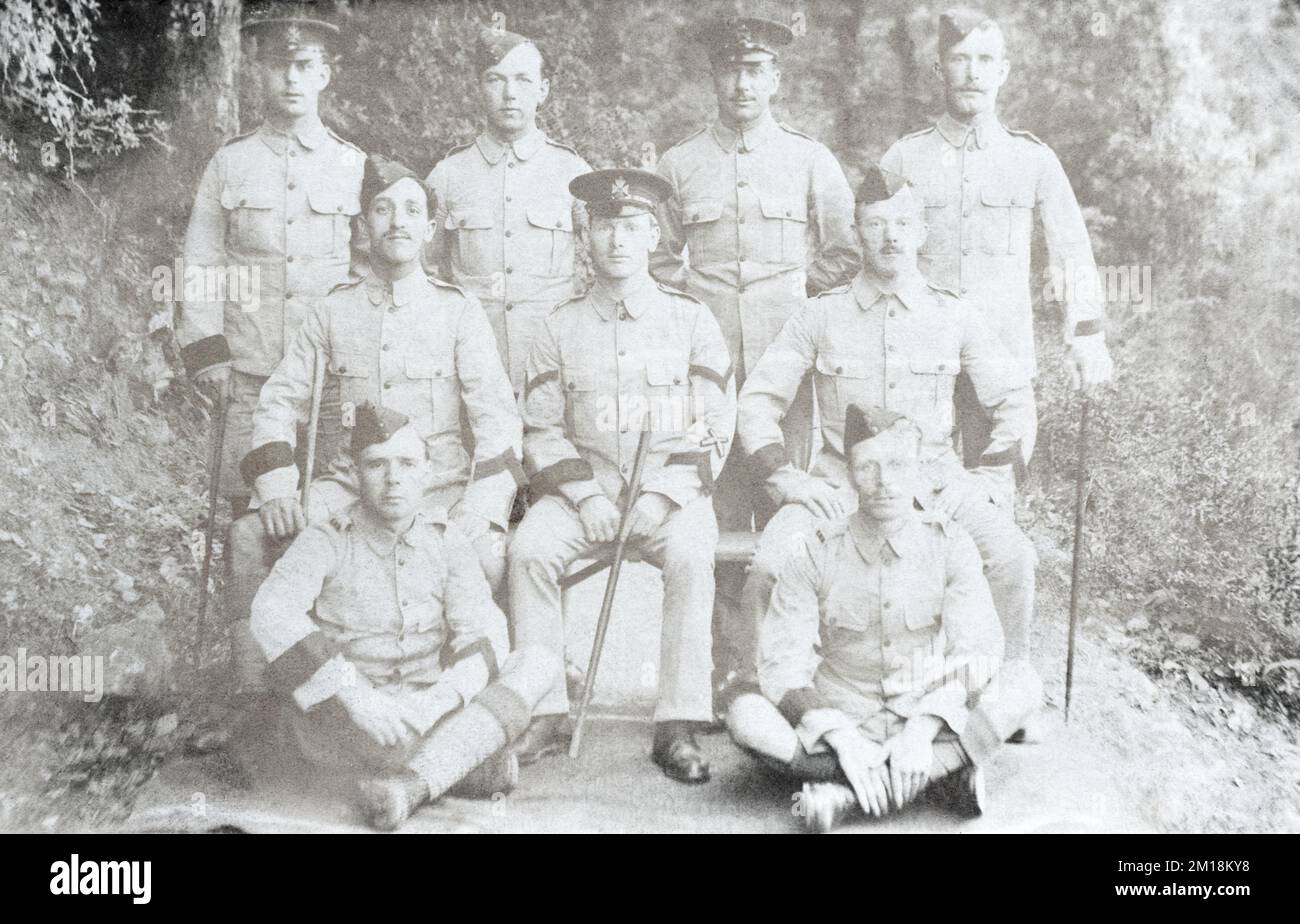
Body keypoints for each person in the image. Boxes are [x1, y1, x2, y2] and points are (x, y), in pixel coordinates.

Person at [735, 169, 1042, 704]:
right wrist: (785, 477)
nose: (891, 237)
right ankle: (768, 696)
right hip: (839, 485)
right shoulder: (819, 316)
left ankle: (1001, 690)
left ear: (923, 232)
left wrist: (994, 475)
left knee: (1012, 555)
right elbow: (758, 400)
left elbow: (1013, 398)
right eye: (876, 224)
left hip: (936, 483)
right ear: (856, 234)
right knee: (770, 563)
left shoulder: (955, 315)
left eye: (903, 223)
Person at [228, 154, 523, 696]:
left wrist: (480, 509)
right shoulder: (332, 311)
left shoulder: (458, 312)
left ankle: (464, 696)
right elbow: (278, 400)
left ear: (431, 230)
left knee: (484, 553)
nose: (398, 222)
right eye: (382, 209)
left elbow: (498, 421)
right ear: (363, 227)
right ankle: (257, 704)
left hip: (439, 488)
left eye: (412, 210)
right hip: (347, 487)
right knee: (250, 535)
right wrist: (275, 487)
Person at [650, 13, 859, 697]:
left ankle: (789, 665)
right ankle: (724, 670)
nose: (742, 83)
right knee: (715, 512)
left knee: (790, 508)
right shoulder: (679, 163)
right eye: (729, 70)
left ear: (776, 78)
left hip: (787, 373)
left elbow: (844, 250)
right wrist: (694, 311)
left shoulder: (809, 159)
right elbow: (656, 260)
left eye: (754, 70)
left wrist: (798, 307)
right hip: (706, 375)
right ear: (712, 76)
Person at [508, 168, 736, 783]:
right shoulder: (557, 326)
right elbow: (541, 427)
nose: (616, 241)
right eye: (605, 226)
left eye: (631, 227)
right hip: (584, 493)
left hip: (669, 493)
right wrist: (583, 497)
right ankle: (546, 707)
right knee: (529, 549)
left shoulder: (691, 321)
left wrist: (662, 499)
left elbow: (714, 425)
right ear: (586, 234)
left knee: (692, 553)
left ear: (653, 236)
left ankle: (678, 721)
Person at [726, 405, 1039, 833]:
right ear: (851, 473)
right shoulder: (814, 550)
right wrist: (843, 738)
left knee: (1023, 684)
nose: (884, 481)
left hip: (924, 707)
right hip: (842, 709)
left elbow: (979, 650)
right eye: (868, 466)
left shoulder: (951, 544)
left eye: (897, 464)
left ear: (919, 470)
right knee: (745, 714)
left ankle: (846, 795)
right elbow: (782, 663)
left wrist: (921, 731)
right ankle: (937, 780)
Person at [249, 402, 558, 831]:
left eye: (407, 464)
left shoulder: (446, 539)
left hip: (423, 706)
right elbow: (271, 611)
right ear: (356, 475)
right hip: (353, 717)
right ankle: (460, 760)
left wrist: (436, 702)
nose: (393, 479)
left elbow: (482, 629)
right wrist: (361, 700)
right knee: (411, 745)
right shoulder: (326, 539)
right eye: (376, 465)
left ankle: (410, 786)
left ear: (427, 473)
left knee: (539, 663)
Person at [879, 7, 1114, 469]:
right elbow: (868, 254)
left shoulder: (1032, 160)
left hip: (1001, 361)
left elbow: (1071, 253)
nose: (972, 73)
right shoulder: (904, 158)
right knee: (911, 495)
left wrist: (1086, 335)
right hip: (919, 359)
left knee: (995, 497)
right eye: (960, 59)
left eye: (986, 60)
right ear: (938, 68)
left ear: (1003, 71)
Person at [179, 11, 364, 517]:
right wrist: (209, 353)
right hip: (249, 370)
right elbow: (201, 262)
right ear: (258, 72)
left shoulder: (354, 165)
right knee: (249, 514)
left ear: (325, 74)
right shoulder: (230, 162)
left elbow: (371, 270)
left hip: (329, 377)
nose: (292, 78)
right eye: (279, 66)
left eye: (305, 65)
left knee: (332, 507)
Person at [426, 27, 591, 398]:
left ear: (543, 90)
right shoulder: (448, 175)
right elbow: (426, 271)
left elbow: (607, 266)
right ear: (478, 87)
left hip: (554, 367)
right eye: (495, 80)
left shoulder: (573, 172)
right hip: (469, 370)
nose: (510, 93)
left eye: (523, 79)